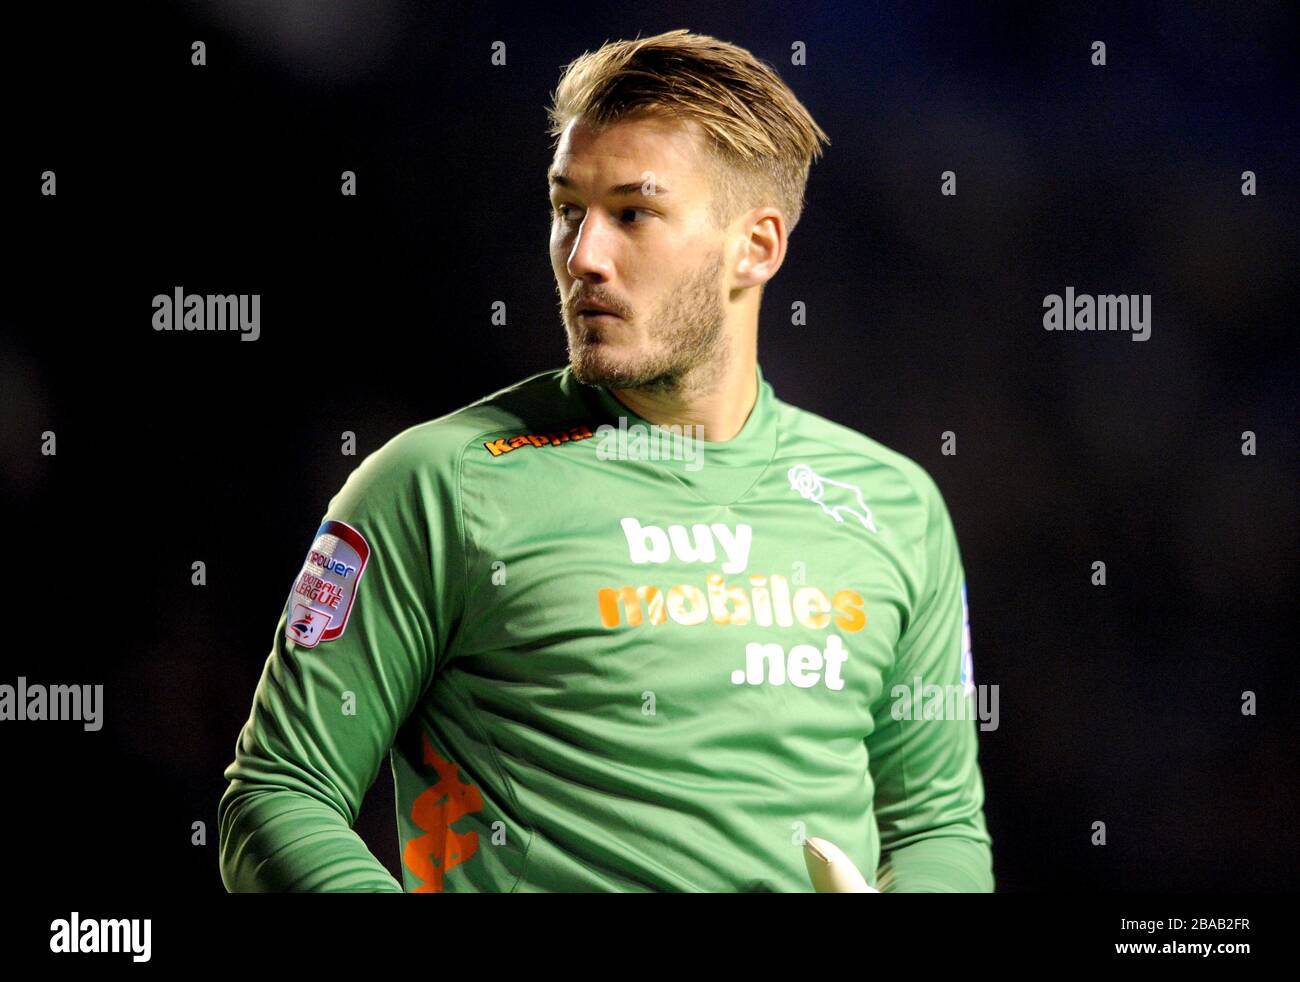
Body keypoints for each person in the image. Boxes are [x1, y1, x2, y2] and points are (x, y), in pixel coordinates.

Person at [218, 28, 994, 893]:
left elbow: (939, 830)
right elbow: (277, 793)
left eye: (633, 213)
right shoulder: (435, 485)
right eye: (566, 209)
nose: (582, 255)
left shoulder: (894, 506)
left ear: (758, 247)